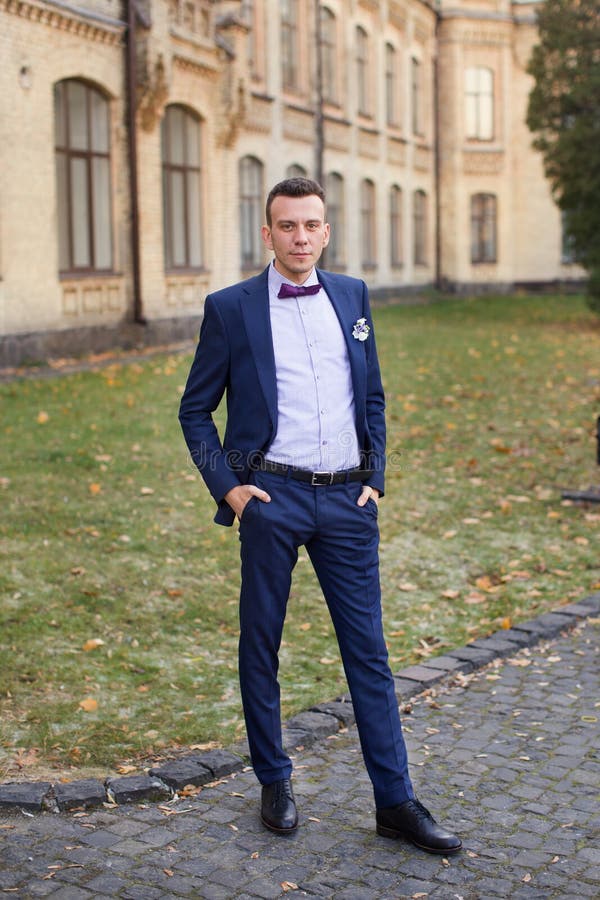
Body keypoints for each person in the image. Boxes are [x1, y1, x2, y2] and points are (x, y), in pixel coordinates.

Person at [179, 177, 461, 854]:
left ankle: (395, 801)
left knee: (369, 652)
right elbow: (195, 410)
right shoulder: (231, 308)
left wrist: (376, 478)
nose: (300, 237)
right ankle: (274, 779)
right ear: (268, 233)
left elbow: (373, 396)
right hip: (271, 499)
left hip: (346, 503)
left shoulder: (353, 296)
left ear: (326, 232)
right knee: (262, 643)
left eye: (311, 225)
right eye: (287, 226)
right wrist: (231, 489)